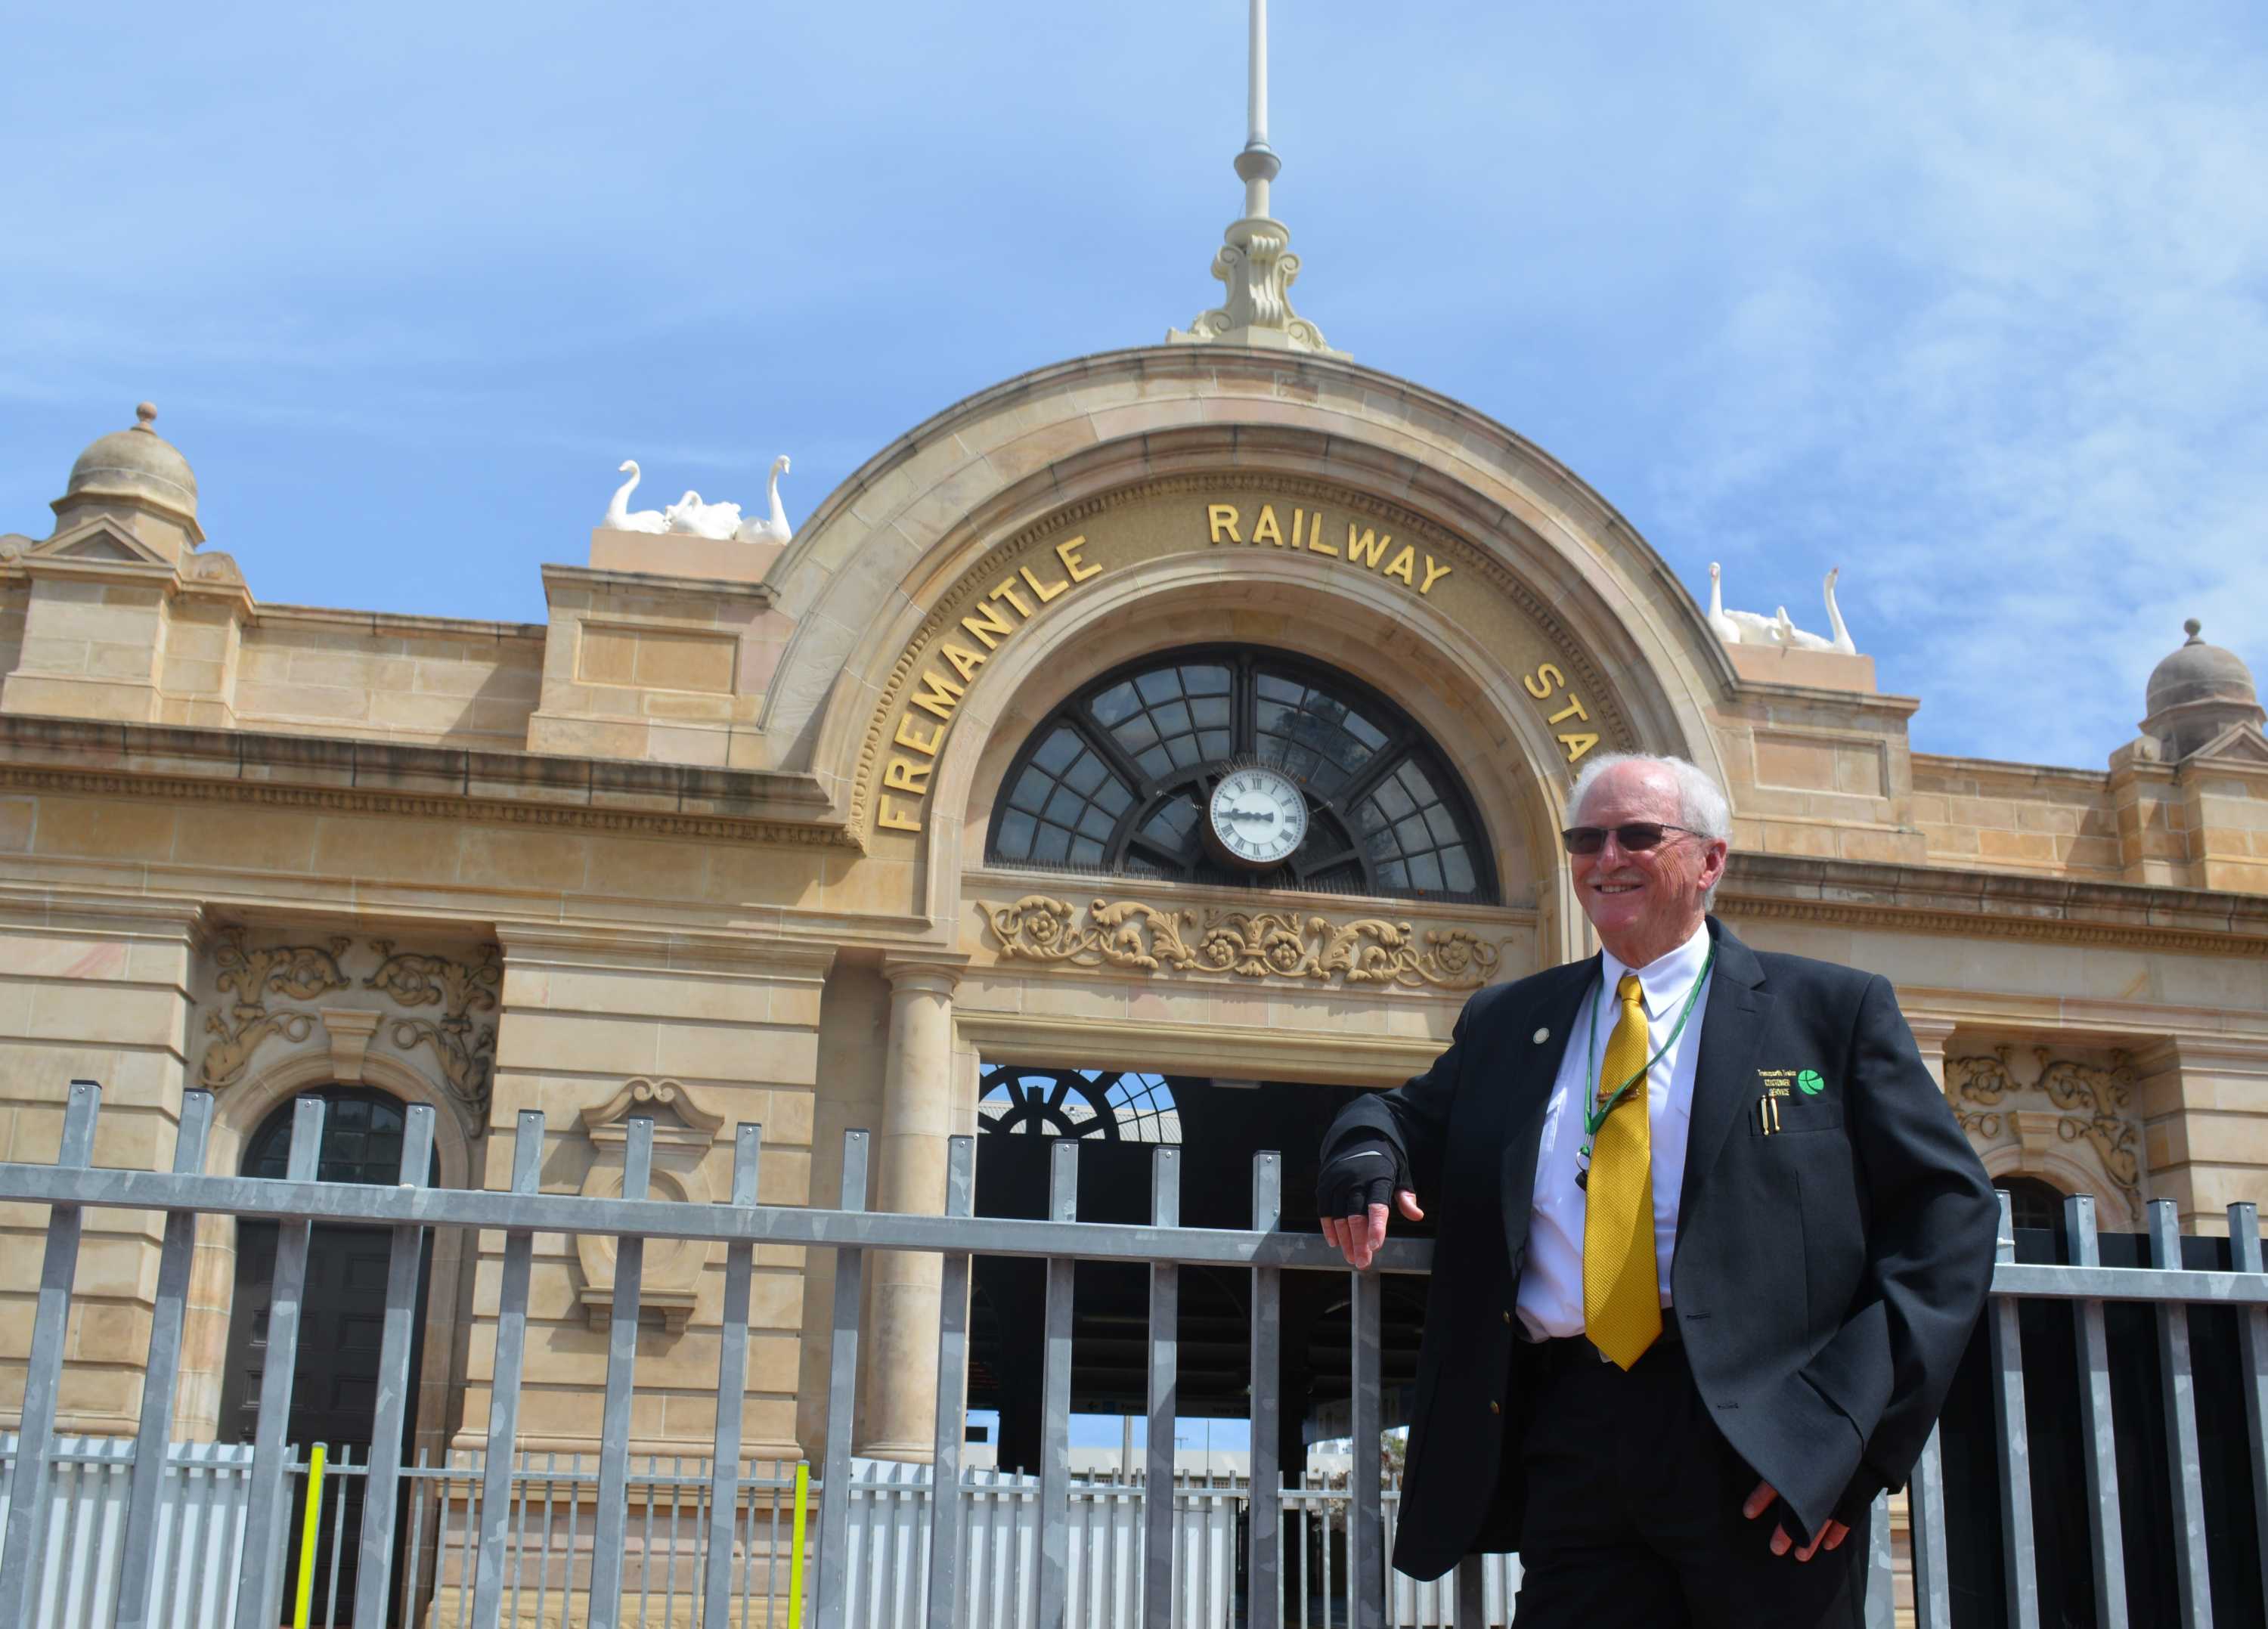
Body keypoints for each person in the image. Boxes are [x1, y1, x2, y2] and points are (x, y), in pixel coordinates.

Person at [1315, 753, 1997, 1627]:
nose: (1607, 857)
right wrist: (1364, 1156)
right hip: (1571, 1428)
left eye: (1638, 834)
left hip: (1764, 1441)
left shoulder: (1831, 1011)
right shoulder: (1510, 1021)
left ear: (1710, 861)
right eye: (1585, 839)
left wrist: (1847, 1439)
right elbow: (1398, 1115)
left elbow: (1950, 1218)